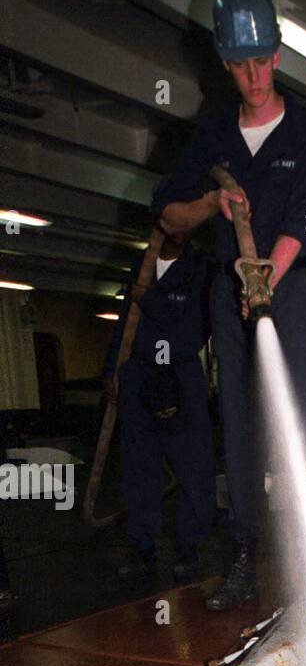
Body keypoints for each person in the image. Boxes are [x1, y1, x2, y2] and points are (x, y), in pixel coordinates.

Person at [152, 0, 306, 611]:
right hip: (229, 299)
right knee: (240, 426)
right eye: (240, 64)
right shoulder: (210, 137)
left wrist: (264, 281)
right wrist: (211, 202)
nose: (254, 77)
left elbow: (300, 223)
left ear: (278, 56)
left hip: (291, 290)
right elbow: (170, 218)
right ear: (225, 64)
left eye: (263, 61)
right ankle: (246, 556)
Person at [104, 233, 214, 580]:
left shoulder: (202, 269)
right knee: (139, 465)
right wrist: (112, 371)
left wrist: (149, 298)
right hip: (137, 370)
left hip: (179, 373)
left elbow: (191, 330)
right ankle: (143, 547)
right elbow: (123, 324)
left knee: (191, 464)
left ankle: (190, 546)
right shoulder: (142, 264)